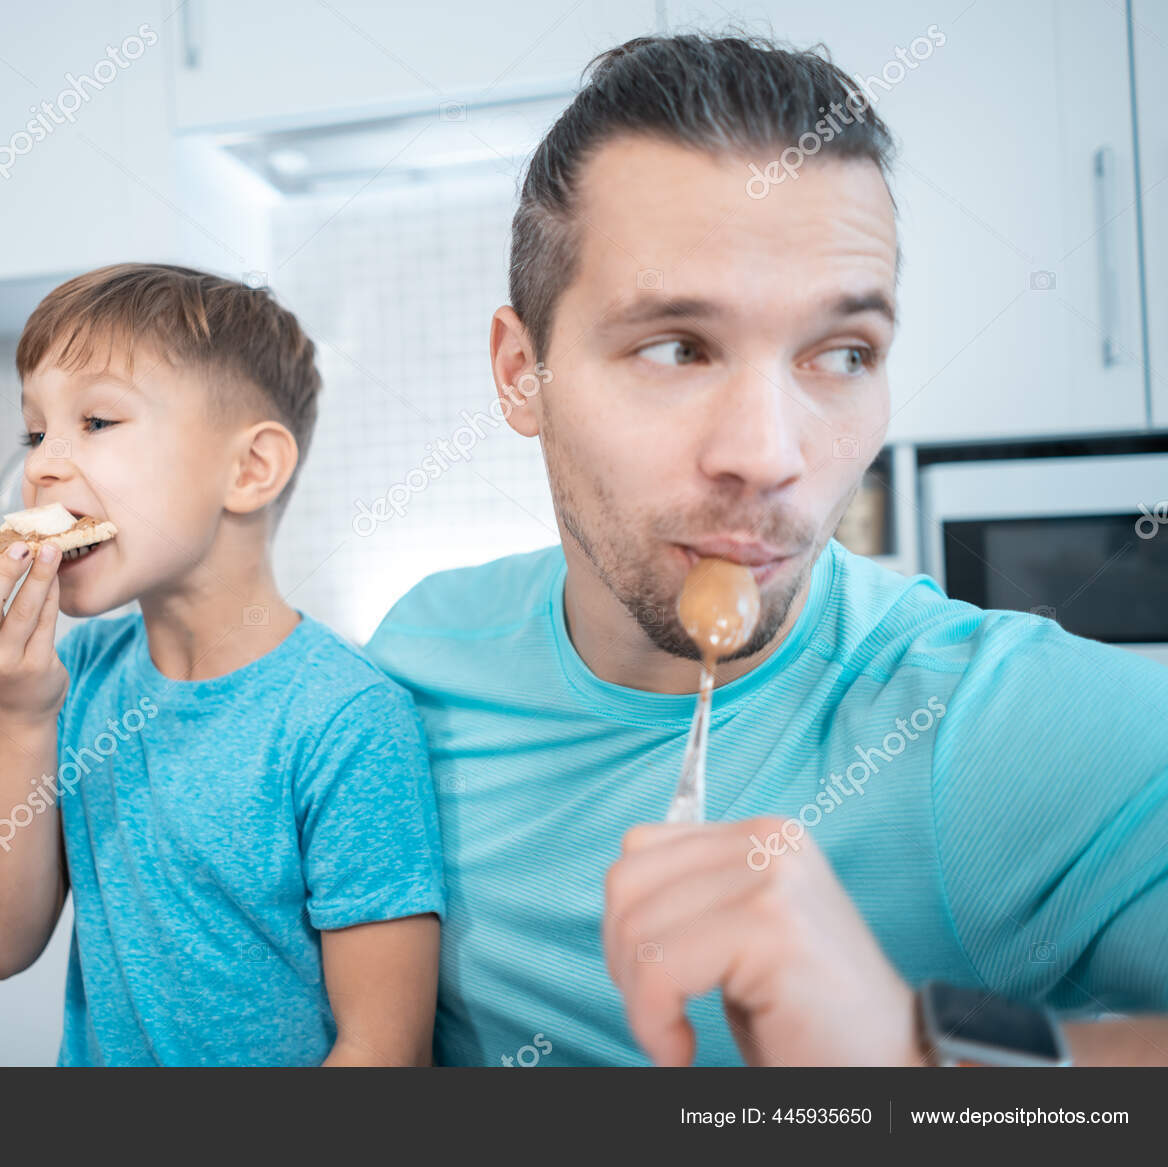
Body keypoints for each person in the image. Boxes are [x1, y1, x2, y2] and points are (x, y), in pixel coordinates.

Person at [366, 35, 1168, 1066]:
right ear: (523, 374)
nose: (768, 455)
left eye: (841, 355)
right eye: (675, 347)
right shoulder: (422, 647)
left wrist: (915, 1056)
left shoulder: (989, 725)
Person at [0, 263, 444, 1065]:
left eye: (96, 421)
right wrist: (11, 714)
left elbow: (383, 1047)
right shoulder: (79, 679)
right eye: (36, 433)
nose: (41, 467)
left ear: (248, 470)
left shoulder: (346, 720)